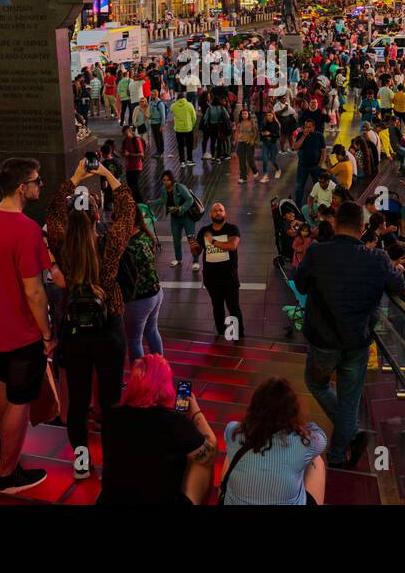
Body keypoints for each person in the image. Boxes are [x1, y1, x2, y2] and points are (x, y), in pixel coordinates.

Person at [0, 158, 59, 494]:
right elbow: (35, 292)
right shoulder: (26, 229)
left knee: (2, 384)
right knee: (20, 400)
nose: (40, 186)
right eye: (37, 181)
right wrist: (47, 333)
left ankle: (0, 448)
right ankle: (6, 474)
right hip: (20, 330)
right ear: (23, 188)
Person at [293, 200, 404, 467]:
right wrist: (396, 270)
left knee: (317, 383)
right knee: (350, 398)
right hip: (358, 340)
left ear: (334, 223)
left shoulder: (318, 253)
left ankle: (351, 430)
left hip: (323, 341)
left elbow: (301, 285)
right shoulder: (377, 259)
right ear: (363, 226)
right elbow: (398, 286)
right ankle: (338, 451)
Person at [45, 159, 134, 481]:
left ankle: (81, 462)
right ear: (98, 216)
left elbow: (52, 214)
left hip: (74, 331)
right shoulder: (109, 246)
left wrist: (75, 177)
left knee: (79, 402)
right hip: (109, 330)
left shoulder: (63, 246)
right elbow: (127, 213)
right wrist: (108, 175)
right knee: (110, 404)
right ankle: (111, 464)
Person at [97, 354, 217, 506]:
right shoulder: (174, 422)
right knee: (202, 461)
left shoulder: (112, 416)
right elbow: (210, 451)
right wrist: (195, 413)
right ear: (166, 386)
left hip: (112, 500)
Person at [222, 378, 327, 505]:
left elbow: (239, 430)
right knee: (317, 460)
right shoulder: (304, 443)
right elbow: (321, 437)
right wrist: (299, 425)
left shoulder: (232, 430)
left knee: (230, 453)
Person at [120, 203, 164, 362]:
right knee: (152, 331)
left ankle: (138, 381)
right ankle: (160, 370)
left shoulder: (128, 244)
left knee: (134, 339)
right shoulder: (146, 234)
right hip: (156, 291)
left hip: (139, 297)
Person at [196, 202, 243, 340]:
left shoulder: (232, 229)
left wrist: (213, 241)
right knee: (217, 307)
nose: (218, 213)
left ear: (225, 213)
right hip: (211, 278)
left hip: (229, 277)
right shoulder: (204, 231)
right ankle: (221, 333)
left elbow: (232, 245)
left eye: (221, 210)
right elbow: (198, 251)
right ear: (211, 214)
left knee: (233, 307)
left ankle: (237, 334)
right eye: (215, 211)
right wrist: (194, 247)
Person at [160, 170, 199, 271]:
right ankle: (178, 259)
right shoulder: (163, 189)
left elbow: (190, 199)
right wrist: (150, 202)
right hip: (175, 218)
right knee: (176, 239)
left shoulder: (179, 187)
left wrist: (181, 208)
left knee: (191, 239)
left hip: (187, 217)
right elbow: (163, 200)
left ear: (172, 180)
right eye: (164, 180)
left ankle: (195, 261)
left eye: (168, 180)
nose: (166, 182)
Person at [171, 92, 197, 166]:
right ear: (184, 98)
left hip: (178, 129)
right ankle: (189, 160)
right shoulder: (189, 105)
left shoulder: (174, 105)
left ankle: (182, 161)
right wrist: (191, 124)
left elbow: (171, 110)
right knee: (189, 145)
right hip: (188, 128)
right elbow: (194, 117)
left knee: (180, 145)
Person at [121, 124, 146, 201]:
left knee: (135, 186)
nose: (125, 135)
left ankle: (140, 203)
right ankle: (136, 203)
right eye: (124, 134)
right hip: (129, 167)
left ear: (130, 131)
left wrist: (129, 154)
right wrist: (123, 154)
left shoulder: (136, 140)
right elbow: (122, 152)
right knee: (131, 186)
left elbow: (141, 154)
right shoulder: (125, 141)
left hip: (137, 166)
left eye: (126, 133)